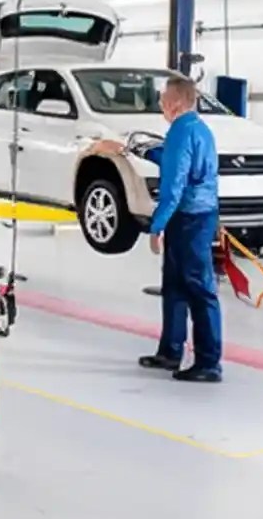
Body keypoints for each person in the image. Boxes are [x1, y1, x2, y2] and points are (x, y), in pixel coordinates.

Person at [94, 76, 222, 383]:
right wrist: (136, 150)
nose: (161, 104)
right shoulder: (199, 130)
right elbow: (172, 160)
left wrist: (158, 225)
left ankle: (208, 362)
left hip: (188, 217)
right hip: (200, 214)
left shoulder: (181, 132)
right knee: (175, 286)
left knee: (199, 289)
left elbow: (174, 184)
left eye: (163, 99)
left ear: (176, 103)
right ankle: (170, 351)